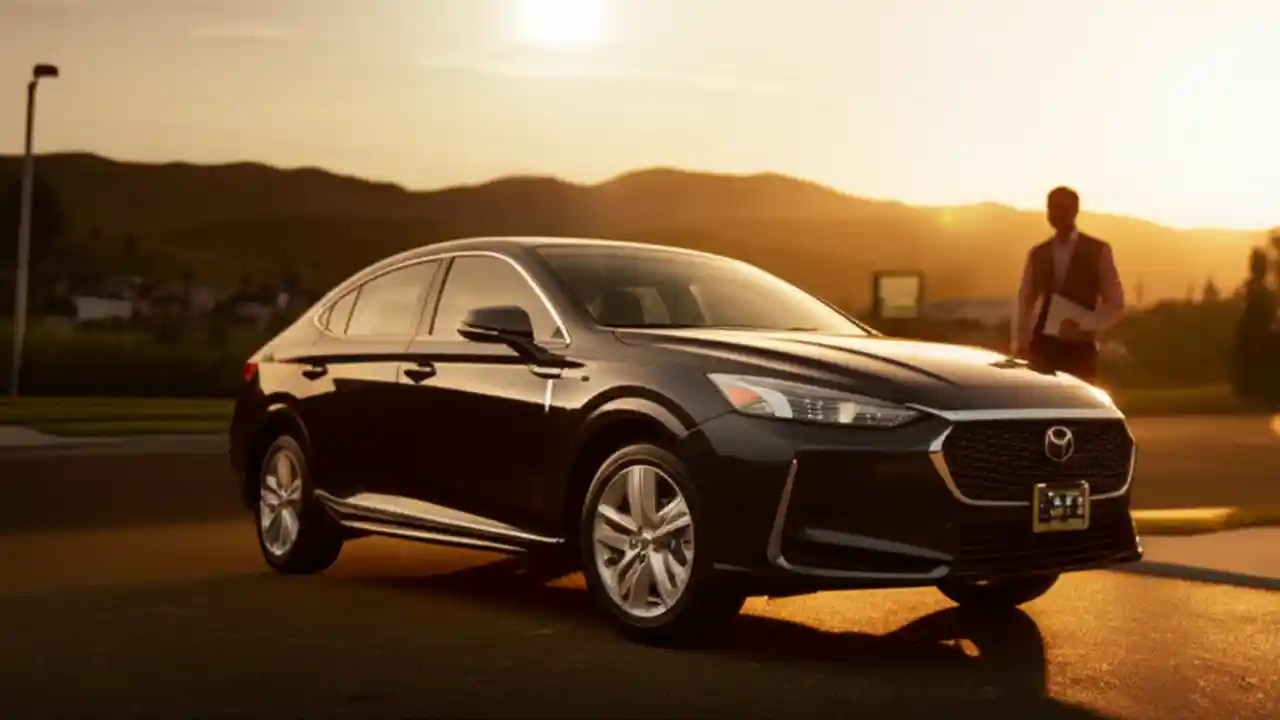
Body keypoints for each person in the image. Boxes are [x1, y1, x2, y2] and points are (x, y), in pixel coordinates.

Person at [1011, 186, 1125, 382]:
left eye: (1060, 208)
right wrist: (1021, 343)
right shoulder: (1038, 253)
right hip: (1043, 346)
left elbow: (1115, 302)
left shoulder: (1098, 250)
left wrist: (1088, 327)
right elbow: (1025, 300)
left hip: (1080, 349)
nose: (1054, 213)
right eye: (1051, 208)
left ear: (1074, 211)